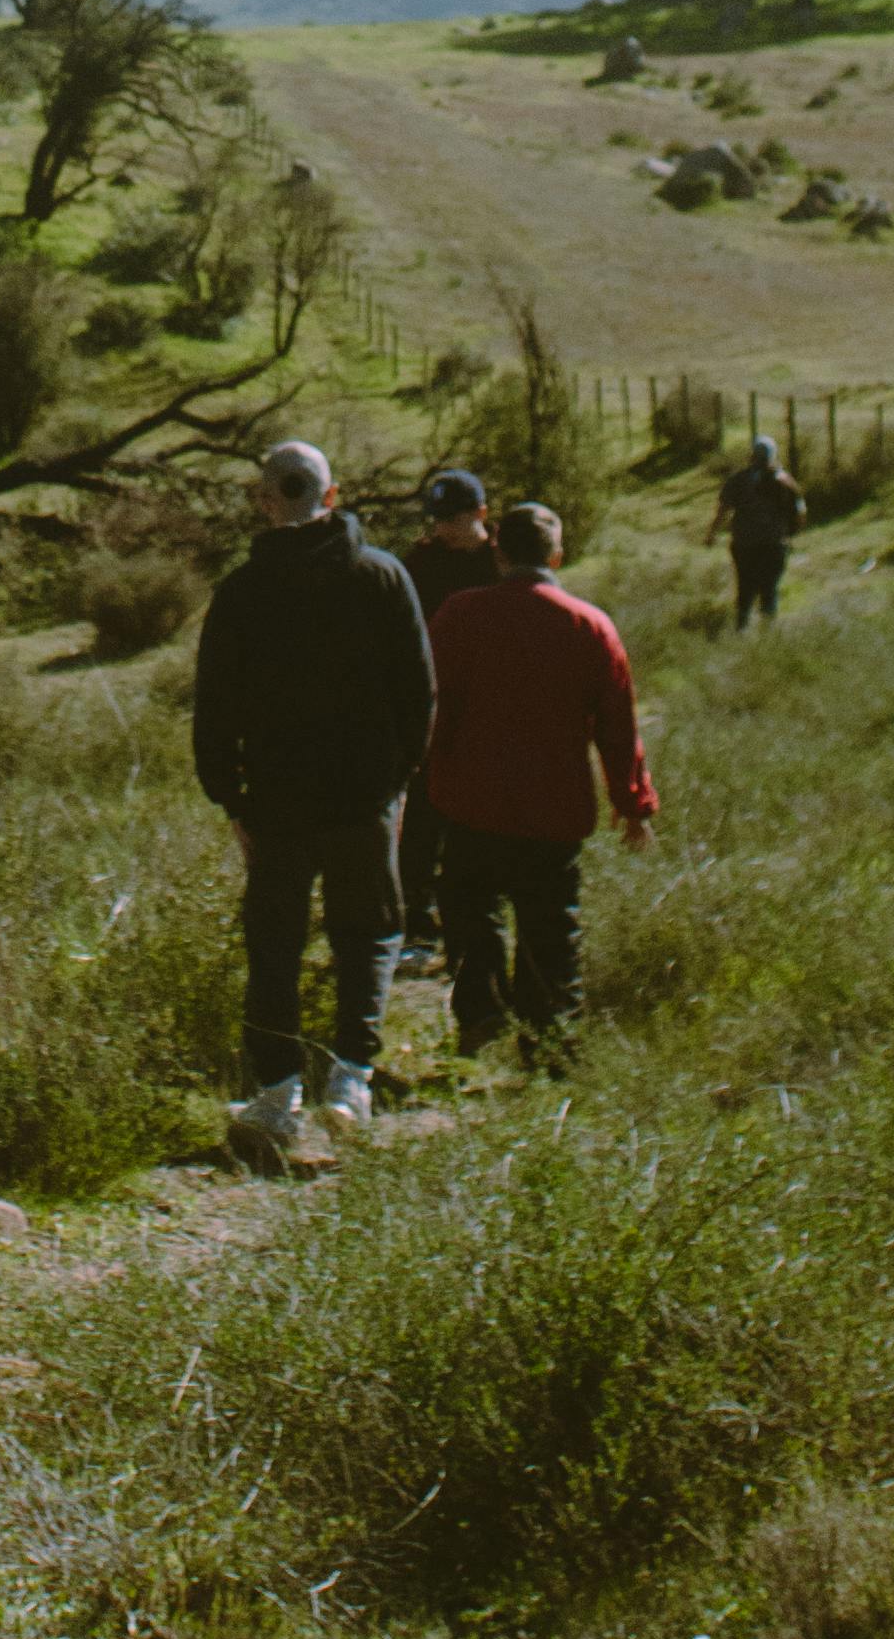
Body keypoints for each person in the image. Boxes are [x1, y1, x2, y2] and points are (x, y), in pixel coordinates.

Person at [193, 438, 435, 1153]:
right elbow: (419, 694)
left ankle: (275, 1094)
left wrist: (230, 799)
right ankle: (351, 1078)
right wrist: (396, 783)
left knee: (275, 945)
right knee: (369, 937)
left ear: (267, 501)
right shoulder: (383, 577)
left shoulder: (242, 591)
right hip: (363, 801)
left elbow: (215, 707)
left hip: (276, 806)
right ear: (332, 496)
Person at [427, 500, 655, 1062]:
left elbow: (436, 707)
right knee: (550, 931)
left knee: (468, 910)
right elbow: (618, 726)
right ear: (557, 554)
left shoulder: (460, 614)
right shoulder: (589, 626)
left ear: (498, 551)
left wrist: (428, 774)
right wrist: (633, 805)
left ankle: (480, 1011)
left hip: (472, 801)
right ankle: (549, 1045)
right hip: (553, 809)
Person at [398, 467, 496, 967]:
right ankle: (418, 920)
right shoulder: (419, 564)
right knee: (422, 817)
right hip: (433, 708)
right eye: (436, 519)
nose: (442, 529)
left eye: (452, 519)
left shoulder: (503, 561)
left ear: (480, 514)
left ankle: (475, 922)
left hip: (491, 709)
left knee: (481, 820)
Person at [708, 431, 807, 626]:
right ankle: (767, 633)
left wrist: (711, 534)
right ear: (774, 455)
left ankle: (741, 628)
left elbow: (722, 510)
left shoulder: (738, 480)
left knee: (745, 587)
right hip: (774, 544)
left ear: (752, 455)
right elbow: (801, 513)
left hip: (744, 544)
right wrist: (791, 534)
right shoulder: (786, 481)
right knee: (769, 589)